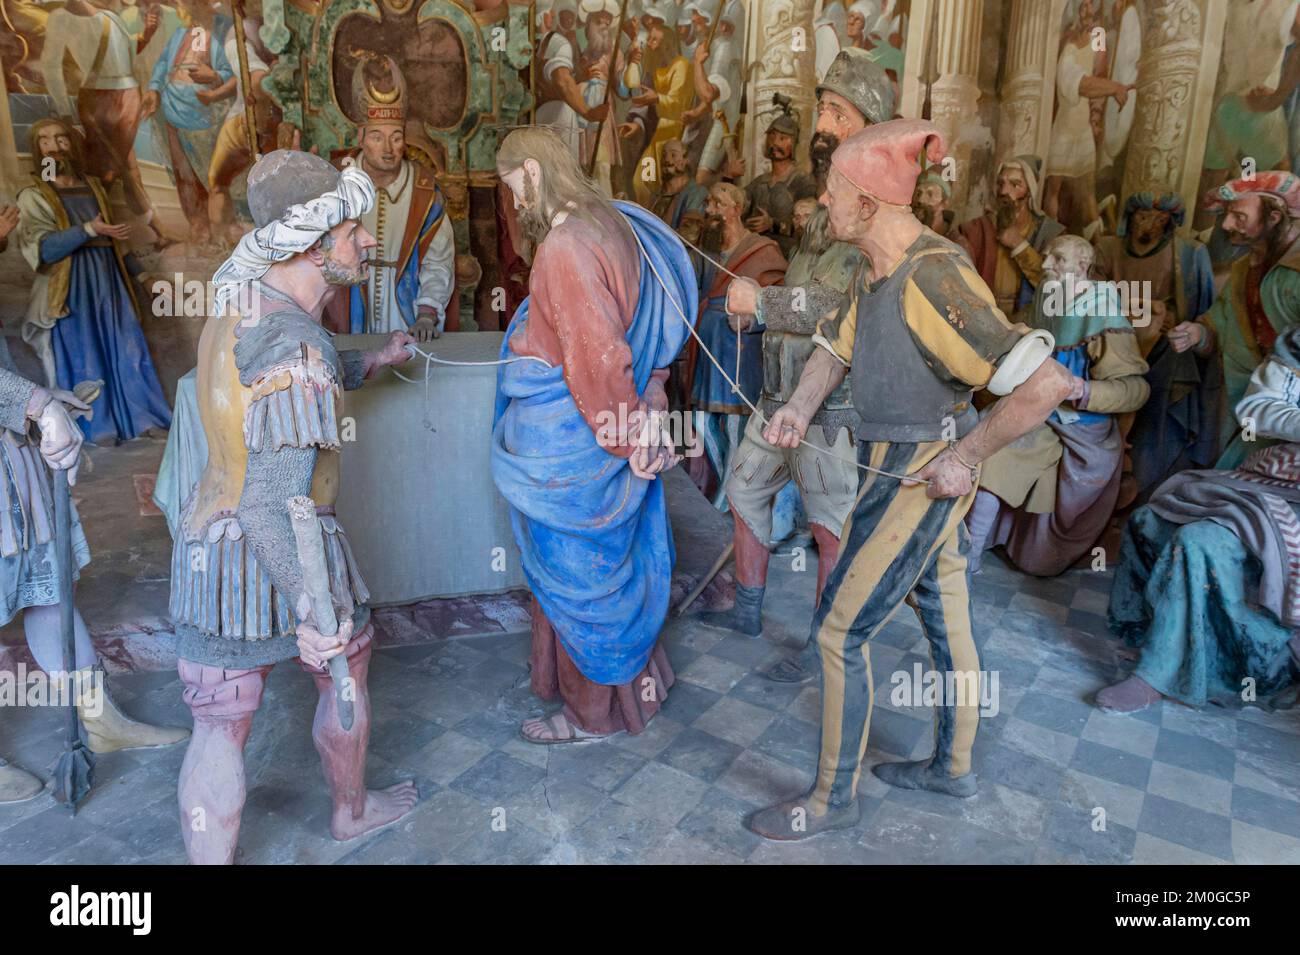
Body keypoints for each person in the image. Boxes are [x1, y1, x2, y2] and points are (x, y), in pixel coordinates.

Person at [744, 120, 1072, 840]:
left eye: (832, 195)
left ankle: (831, 799)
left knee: (837, 632)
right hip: (895, 464)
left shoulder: (934, 274)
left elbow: (1044, 381)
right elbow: (836, 345)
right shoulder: (875, 271)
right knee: (946, 612)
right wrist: (799, 407)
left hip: (922, 474)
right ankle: (953, 767)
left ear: (866, 202)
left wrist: (969, 455)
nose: (823, 206)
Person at [172, 150, 419, 864]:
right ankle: (349, 812)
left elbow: (276, 390)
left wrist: (373, 359)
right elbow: (270, 504)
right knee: (349, 663)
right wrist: (313, 606)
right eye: (354, 231)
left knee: (220, 723)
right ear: (312, 243)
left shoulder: (242, 304)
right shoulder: (298, 347)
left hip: (209, 551)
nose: (367, 243)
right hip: (284, 537)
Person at [491, 127, 692, 743]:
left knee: (580, 577)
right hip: (602, 428)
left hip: (578, 445)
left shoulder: (565, 246)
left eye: (510, 188)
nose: (512, 202)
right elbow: (662, 306)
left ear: (530, 172)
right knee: (607, 570)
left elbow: (599, 360)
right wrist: (654, 391)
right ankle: (628, 694)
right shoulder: (616, 220)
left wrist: (633, 439)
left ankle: (589, 717)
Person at [697, 50, 893, 661]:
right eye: (823, 110)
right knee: (745, 489)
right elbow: (802, 290)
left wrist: (763, 304)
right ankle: (748, 610)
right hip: (777, 398)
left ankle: (823, 643)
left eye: (836, 111)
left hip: (831, 409)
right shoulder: (825, 206)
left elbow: (836, 306)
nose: (822, 124)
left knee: (830, 527)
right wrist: (759, 309)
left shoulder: (875, 214)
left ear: (868, 125)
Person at [0, 353, 188, 804]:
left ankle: (102, 721)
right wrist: (38, 404)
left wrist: (38, 403)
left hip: (12, 465)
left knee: (49, 592)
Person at [1103, 327, 1300, 713]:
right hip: (1270, 480)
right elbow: (1256, 408)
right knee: (1149, 518)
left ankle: (1155, 675)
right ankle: (1151, 637)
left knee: (1200, 541)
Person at [966, 235, 1150, 576]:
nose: (1046, 264)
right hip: (1037, 411)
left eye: (1056, 259)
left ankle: (970, 556)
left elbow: (1135, 390)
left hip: (1079, 427)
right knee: (977, 428)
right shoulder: (1048, 297)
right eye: (1046, 256)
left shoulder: (1103, 311)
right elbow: (1016, 334)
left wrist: (1079, 389)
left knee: (998, 453)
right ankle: (964, 547)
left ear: (1082, 266)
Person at [16, 118, 172, 445]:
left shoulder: (94, 187)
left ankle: (143, 419)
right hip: (70, 288)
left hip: (109, 282)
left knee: (129, 350)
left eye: (61, 138)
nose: (55, 146)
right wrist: (88, 230)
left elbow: (116, 241)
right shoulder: (33, 196)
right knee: (85, 356)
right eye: (45, 141)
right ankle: (97, 427)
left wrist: (143, 277)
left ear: (72, 144)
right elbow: (43, 249)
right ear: (37, 150)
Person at [1093, 193, 1218, 502]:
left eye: (1160, 218)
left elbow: (1204, 313)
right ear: (1130, 216)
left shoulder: (1188, 253)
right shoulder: (1107, 249)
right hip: (1112, 344)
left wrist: (1177, 320)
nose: (1149, 224)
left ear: (1170, 223)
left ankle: (1150, 483)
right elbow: (1090, 299)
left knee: (1159, 406)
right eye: (1142, 215)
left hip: (1162, 350)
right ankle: (1100, 486)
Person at [1170, 173, 1300, 468]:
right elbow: (1223, 321)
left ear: (1275, 217)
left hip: (1288, 408)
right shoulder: (1244, 269)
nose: (1227, 225)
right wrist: (1197, 333)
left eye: (1239, 216)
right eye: (1228, 215)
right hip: (1247, 397)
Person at [332, 61, 454, 340]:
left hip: (406, 319)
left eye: (396, 137)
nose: (388, 149)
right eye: (377, 137)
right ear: (361, 138)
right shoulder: (337, 184)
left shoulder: (425, 194)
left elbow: (438, 262)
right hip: (349, 317)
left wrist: (427, 314)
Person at [685, 182, 787, 503]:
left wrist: (753, 315)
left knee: (736, 426)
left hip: (740, 355)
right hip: (706, 351)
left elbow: (776, 299)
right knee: (702, 423)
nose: (710, 210)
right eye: (708, 204)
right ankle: (711, 487)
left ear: (736, 209)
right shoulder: (704, 251)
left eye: (718, 203)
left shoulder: (763, 250)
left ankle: (735, 491)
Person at [38, 0, 168, 240]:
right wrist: (65, 112)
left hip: (129, 96)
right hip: (100, 98)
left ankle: (159, 233)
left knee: (127, 169)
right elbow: (50, 66)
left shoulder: (110, 16)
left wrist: (147, 35)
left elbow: (126, 52)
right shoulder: (61, 17)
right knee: (107, 172)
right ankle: (84, 229)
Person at [140, 0, 234, 247]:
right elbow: (162, 65)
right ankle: (198, 224)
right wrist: (153, 90)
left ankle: (221, 228)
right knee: (184, 173)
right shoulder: (181, 33)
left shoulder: (225, 29)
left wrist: (214, 76)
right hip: (172, 108)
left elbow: (235, 70)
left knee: (210, 172)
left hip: (207, 112)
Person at [955, 155, 1064, 318]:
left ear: (1029, 191)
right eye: (1001, 184)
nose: (1005, 191)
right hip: (984, 315)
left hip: (1027, 318)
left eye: (1015, 184)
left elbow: (1054, 287)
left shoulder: (1049, 233)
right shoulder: (978, 229)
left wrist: (1019, 245)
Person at [744, 106, 818, 258]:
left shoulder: (803, 181)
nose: (775, 143)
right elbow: (738, 207)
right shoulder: (758, 183)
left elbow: (809, 225)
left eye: (782, 139)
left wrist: (772, 224)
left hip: (789, 258)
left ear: (794, 144)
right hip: (758, 255)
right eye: (772, 137)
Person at [646, 138, 707, 230]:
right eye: (664, 155)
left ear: (685, 160)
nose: (666, 159)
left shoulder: (697, 193)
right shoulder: (655, 195)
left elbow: (690, 233)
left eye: (673, 155)